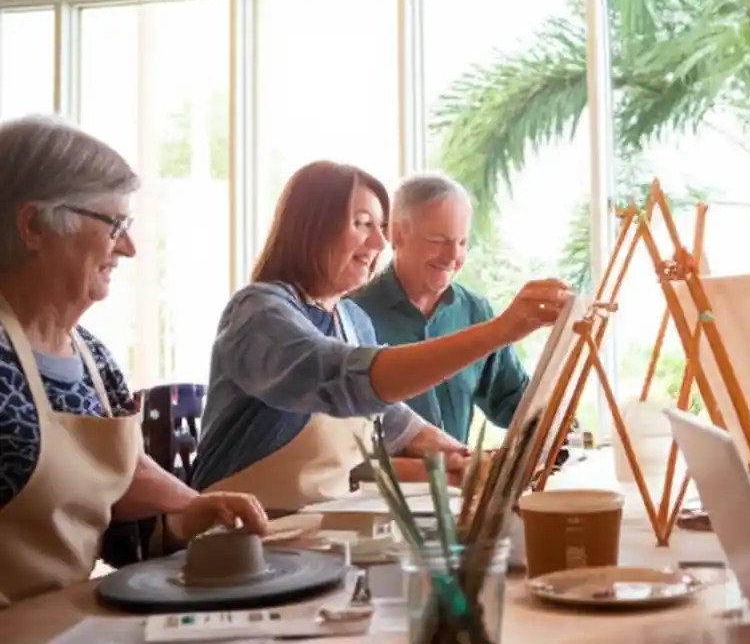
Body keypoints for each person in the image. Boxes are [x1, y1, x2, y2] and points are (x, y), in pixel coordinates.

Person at [192, 161, 569, 514]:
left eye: (379, 227)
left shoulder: (352, 318)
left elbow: (388, 420)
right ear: (311, 226)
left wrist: (463, 458)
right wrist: (499, 331)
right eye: (362, 224)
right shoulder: (259, 313)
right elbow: (341, 378)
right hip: (234, 538)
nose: (379, 243)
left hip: (314, 529)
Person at [0, 116, 267, 608]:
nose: (129, 247)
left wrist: (192, 510)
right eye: (115, 225)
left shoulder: (93, 357)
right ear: (34, 226)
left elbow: (112, 494)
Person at [351, 174, 527, 443]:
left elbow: (515, 403)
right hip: (382, 485)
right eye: (438, 240)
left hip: (461, 483)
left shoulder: (476, 312)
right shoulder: (352, 315)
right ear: (398, 235)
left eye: (462, 243)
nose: (452, 257)